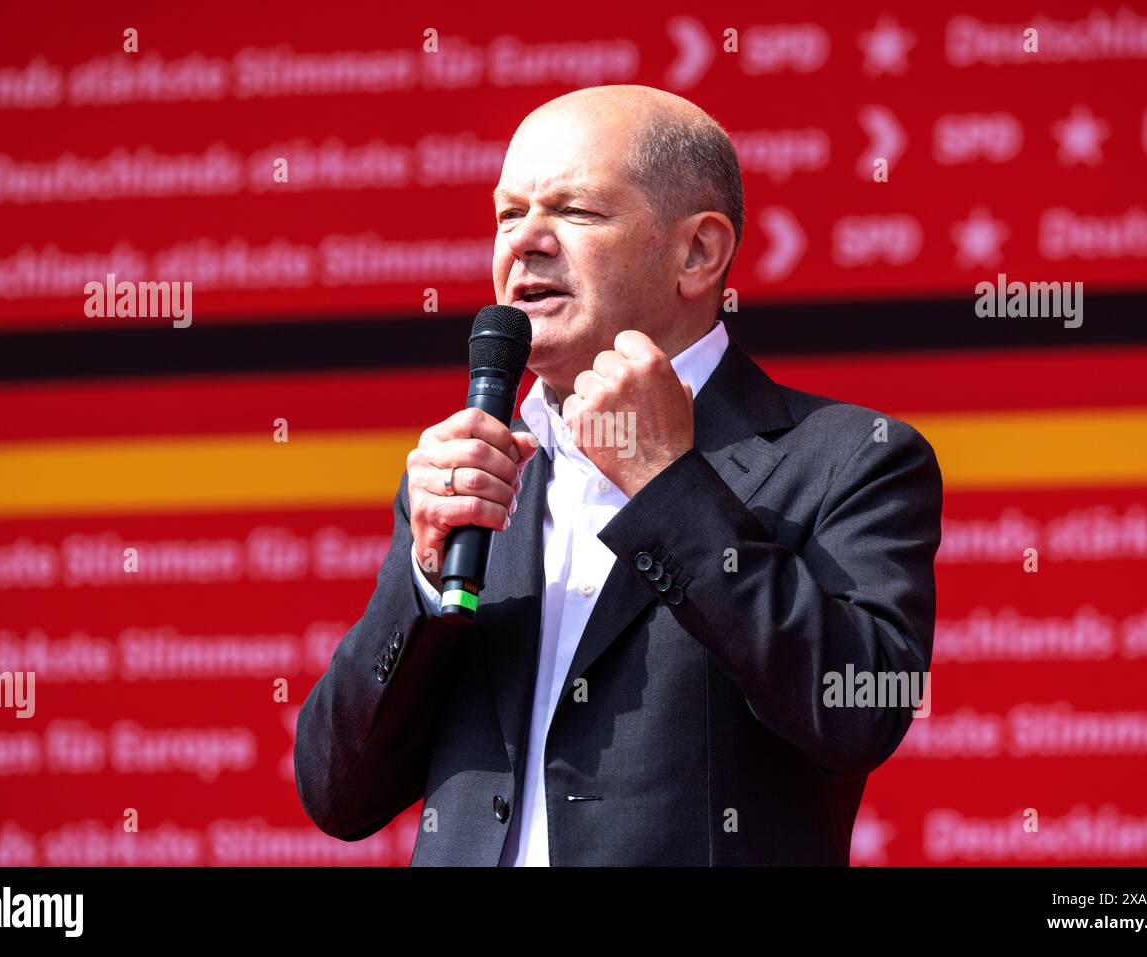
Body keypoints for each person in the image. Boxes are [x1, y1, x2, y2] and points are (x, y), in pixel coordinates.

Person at [295, 84, 943, 865]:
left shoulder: (848, 457)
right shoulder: (474, 473)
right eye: (507, 214)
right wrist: (426, 583)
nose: (524, 242)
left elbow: (858, 712)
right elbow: (336, 792)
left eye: (574, 211)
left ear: (698, 253)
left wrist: (669, 482)